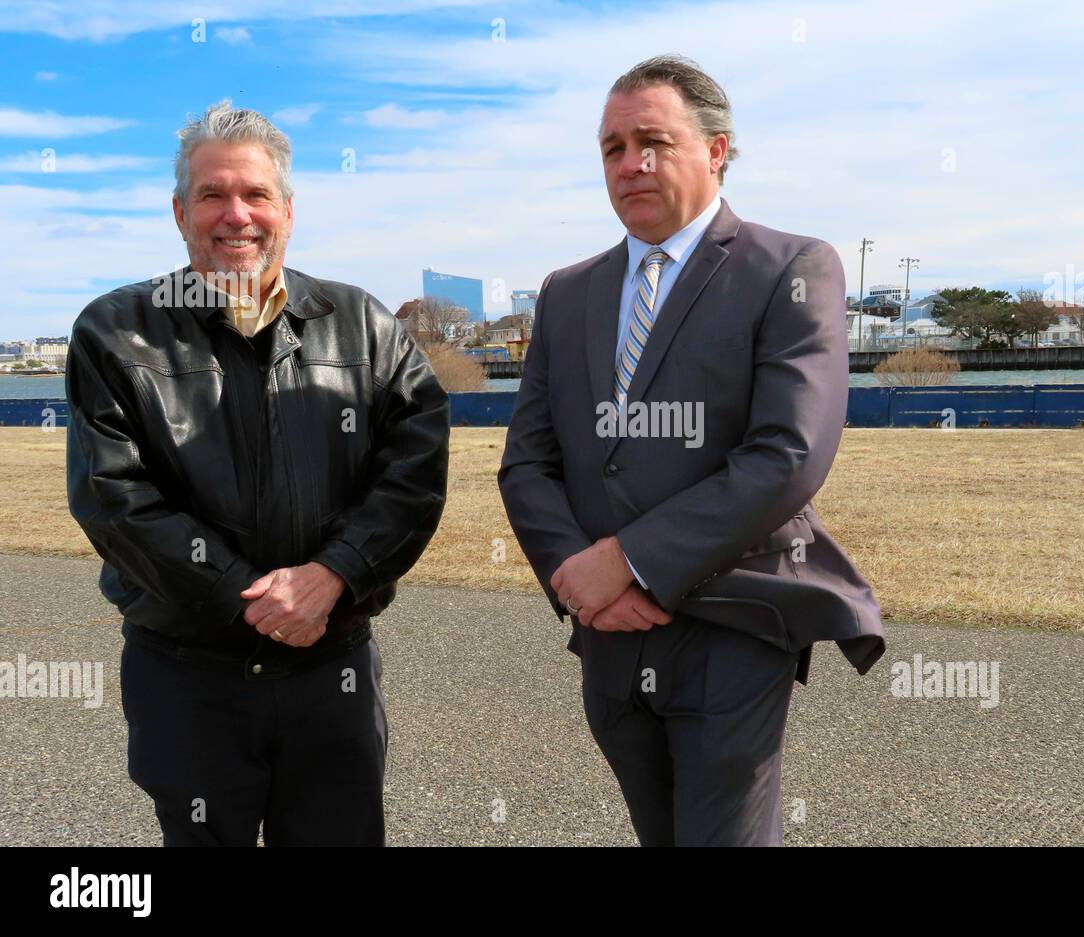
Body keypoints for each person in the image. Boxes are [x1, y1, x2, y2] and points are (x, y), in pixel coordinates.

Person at [498, 56, 885, 846]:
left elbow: (789, 452)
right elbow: (527, 462)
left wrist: (632, 560)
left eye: (654, 141)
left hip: (731, 626)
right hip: (606, 635)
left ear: (717, 150)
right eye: (612, 147)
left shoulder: (791, 269)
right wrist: (582, 577)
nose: (630, 163)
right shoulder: (567, 292)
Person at [65, 101, 450, 846]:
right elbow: (113, 496)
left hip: (331, 673)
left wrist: (334, 573)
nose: (235, 214)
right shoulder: (115, 331)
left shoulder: (363, 324)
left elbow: (414, 468)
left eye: (255, 194)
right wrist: (249, 597)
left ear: (288, 210)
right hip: (187, 676)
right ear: (180, 212)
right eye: (212, 194)